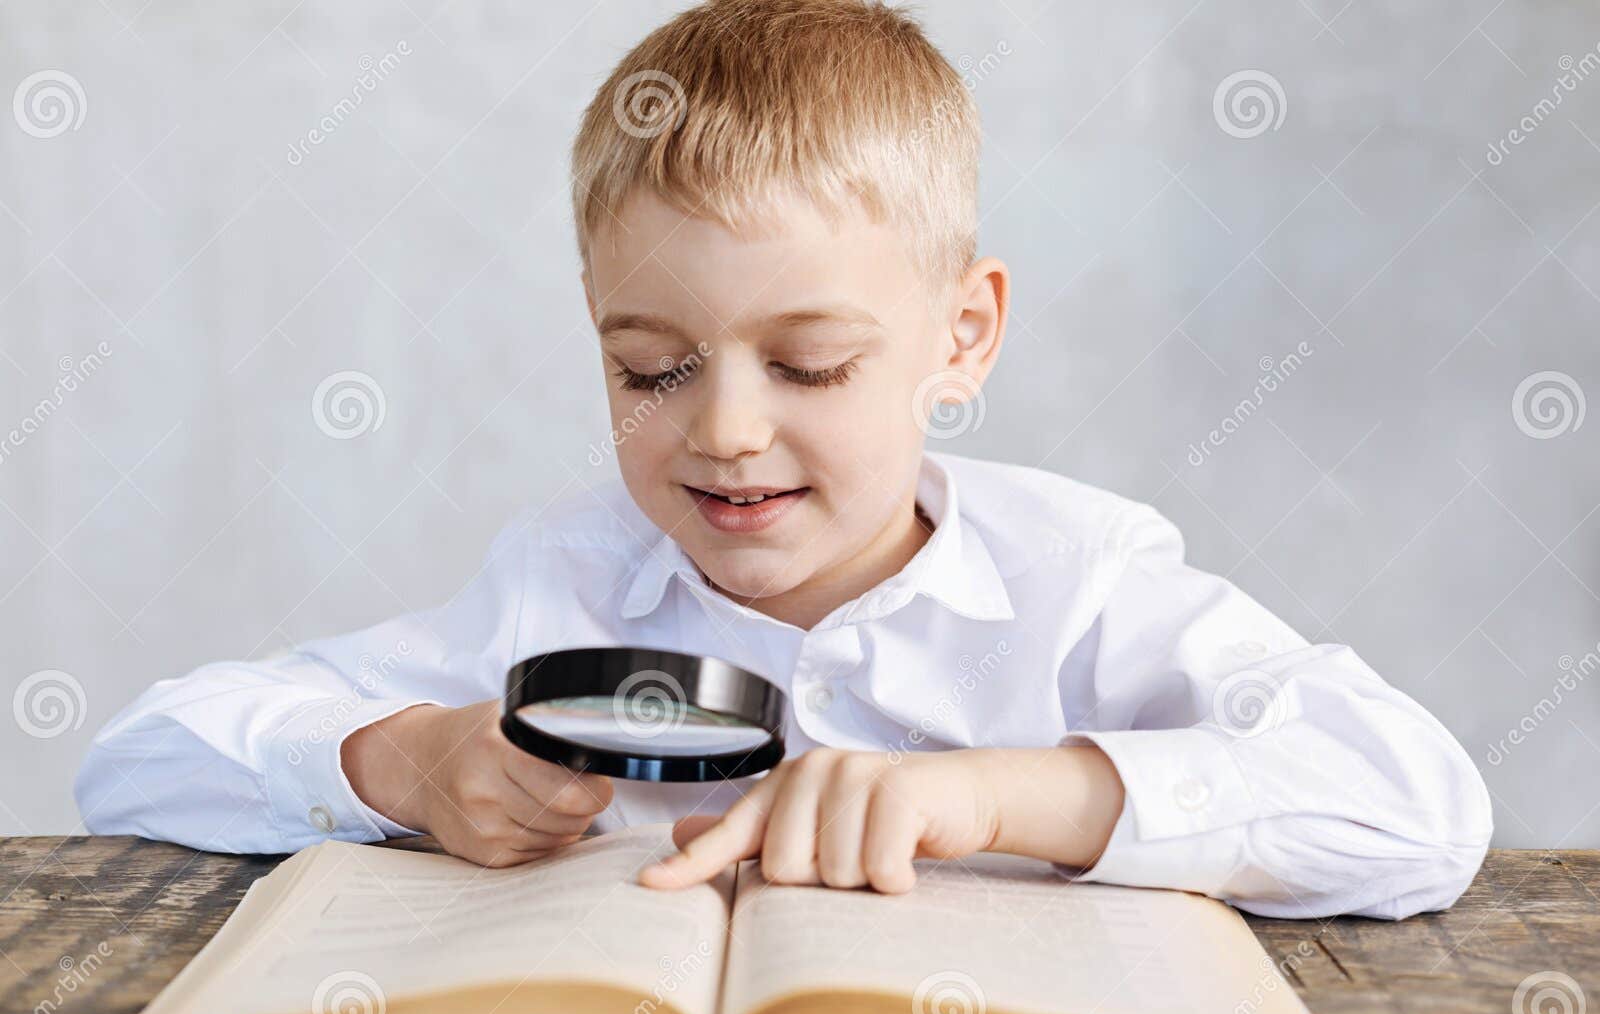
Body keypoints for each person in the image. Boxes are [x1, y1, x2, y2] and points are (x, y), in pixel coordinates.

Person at [76, 0, 1492, 919]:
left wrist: (998, 795)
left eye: (810, 365)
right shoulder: (566, 584)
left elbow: (1419, 803)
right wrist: (403, 760)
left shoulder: (1079, 580)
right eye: (651, 368)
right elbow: (142, 757)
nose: (725, 431)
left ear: (962, 336)